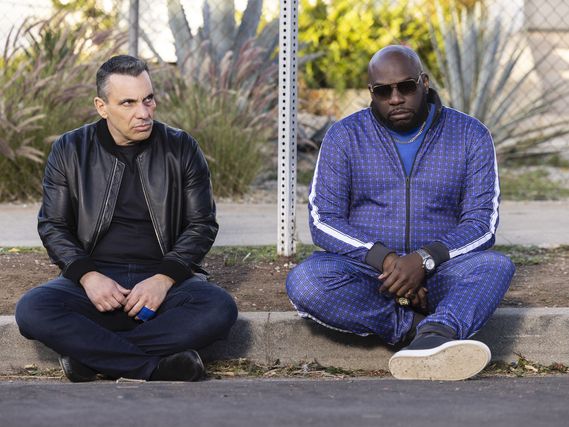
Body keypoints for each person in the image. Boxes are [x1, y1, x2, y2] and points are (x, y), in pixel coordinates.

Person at [286, 45, 515, 381]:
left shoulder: (470, 134)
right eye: (383, 91)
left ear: (424, 82)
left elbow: (482, 223)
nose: (395, 99)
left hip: (441, 274)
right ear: (371, 92)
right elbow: (323, 219)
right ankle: (423, 332)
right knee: (306, 282)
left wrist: (424, 260)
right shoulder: (344, 136)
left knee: (495, 266)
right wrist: (387, 261)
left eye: (406, 87)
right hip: (370, 276)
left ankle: (439, 330)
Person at [15, 55, 238, 382]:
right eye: (128, 103)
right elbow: (53, 225)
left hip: (163, 281)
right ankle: (154, 367)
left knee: (219, 308)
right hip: (95, 282)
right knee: (32, 309)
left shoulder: (181, 148)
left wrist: (163, 279)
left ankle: (91, 358)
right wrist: (88, 276)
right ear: (102, 107)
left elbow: (201, 224)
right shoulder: (70, 149)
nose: (144, 112)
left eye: (148, 99)